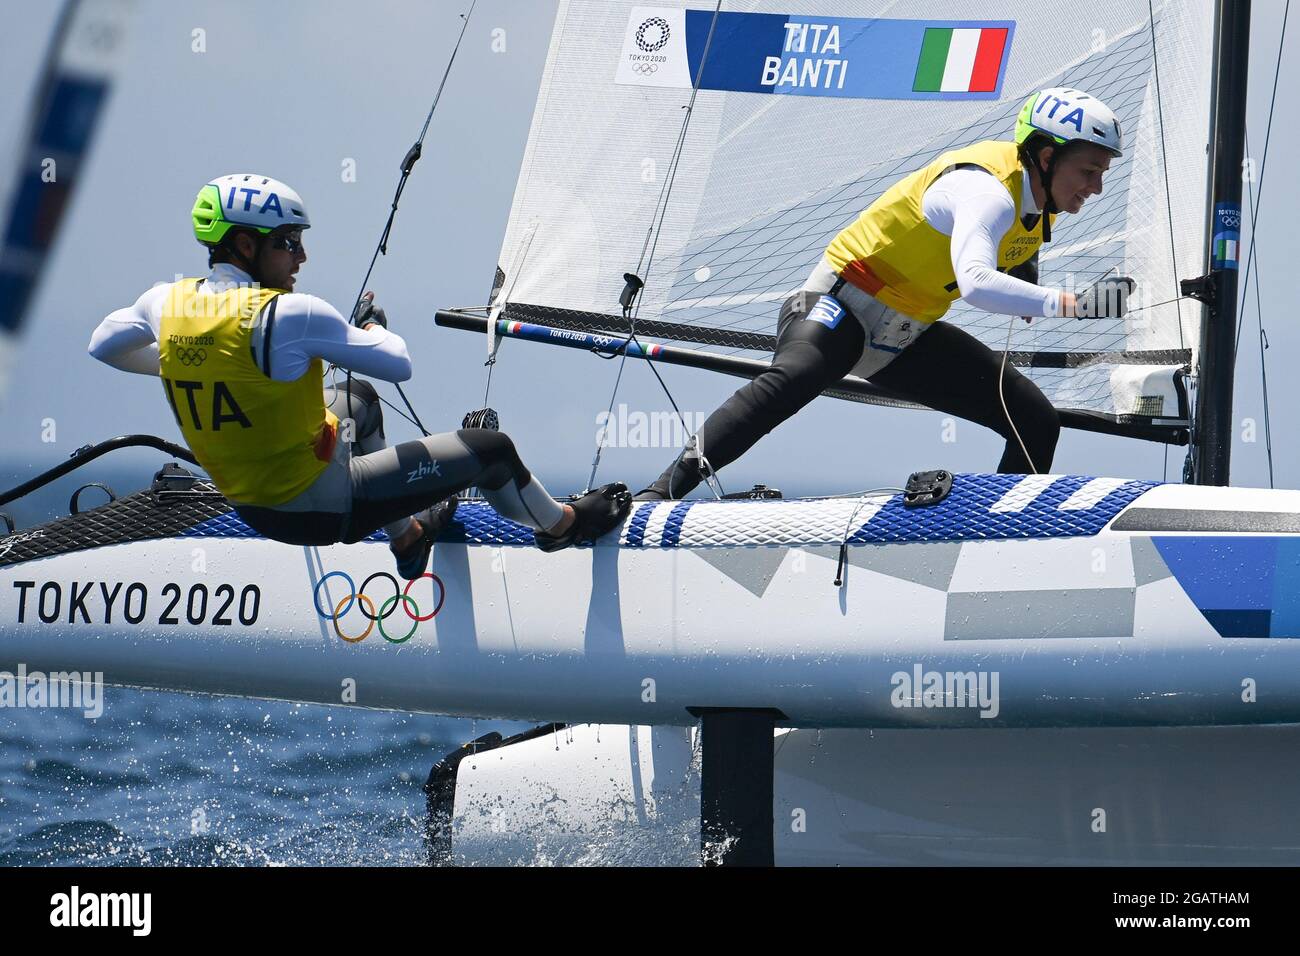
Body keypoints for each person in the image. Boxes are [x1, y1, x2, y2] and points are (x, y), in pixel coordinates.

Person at [88, 173, 630, 577]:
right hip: (322, 510)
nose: (300, 256)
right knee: (491, 450)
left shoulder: (166, 300)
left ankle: (407, 538)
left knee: (361, 400)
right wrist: (369, 329)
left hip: (252, 505)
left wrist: (191, 359)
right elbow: (399, 362)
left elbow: (104, 347)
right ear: (245, 245)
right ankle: (563, 527)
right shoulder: (291, 315)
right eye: (287, 242)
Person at [636, 88, 1138, 501]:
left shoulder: (1041, 195)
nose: (1095, 188)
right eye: (1089, 171)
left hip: (905, 333)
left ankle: (996, 523)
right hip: (840, 303)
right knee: (799, 375)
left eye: (1102, 174)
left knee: (1034, 420)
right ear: (1047, 157)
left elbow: (1019, 243)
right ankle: (661, 494)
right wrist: (1069, 303)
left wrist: (1027, 282)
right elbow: (977, 283)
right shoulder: (984, 191)